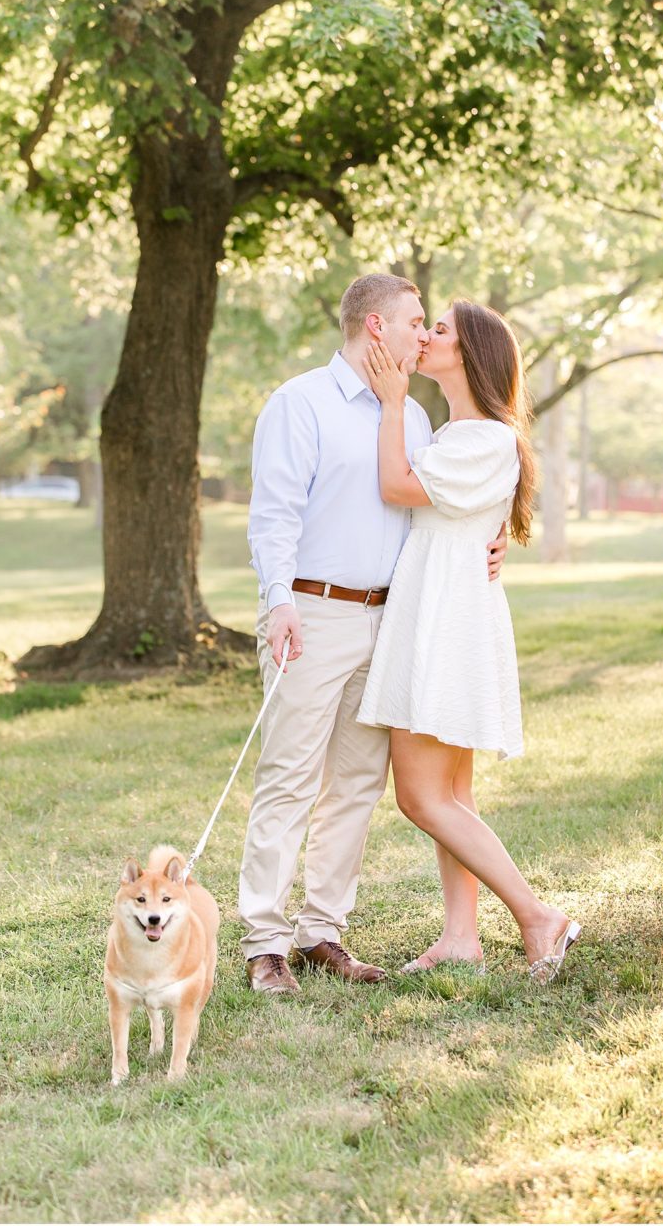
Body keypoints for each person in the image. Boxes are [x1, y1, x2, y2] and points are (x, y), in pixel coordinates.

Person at [239, 274, 507, 994]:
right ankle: (263, 942)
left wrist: (496, 534)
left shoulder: (414, 419)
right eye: (415, 321)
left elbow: (435, 507)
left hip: (391, 619)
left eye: (429, 324)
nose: (423, 334)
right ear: (375, 327)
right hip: (313, 611)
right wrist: (278, 602)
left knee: (357, 782)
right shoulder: (300, 403)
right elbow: (273, 516)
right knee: (289, 777)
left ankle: (321, 929)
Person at [357, 301, 581, 984]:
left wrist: (392, 401)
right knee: (452, 795)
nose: (426, 336)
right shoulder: (465, 434)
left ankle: (537, 916)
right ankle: (460, 935)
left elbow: (397, 486)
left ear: (470, 353)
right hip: (442, 601)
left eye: (441, 331)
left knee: (421, 798)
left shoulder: (482, 437)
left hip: (444, 618)